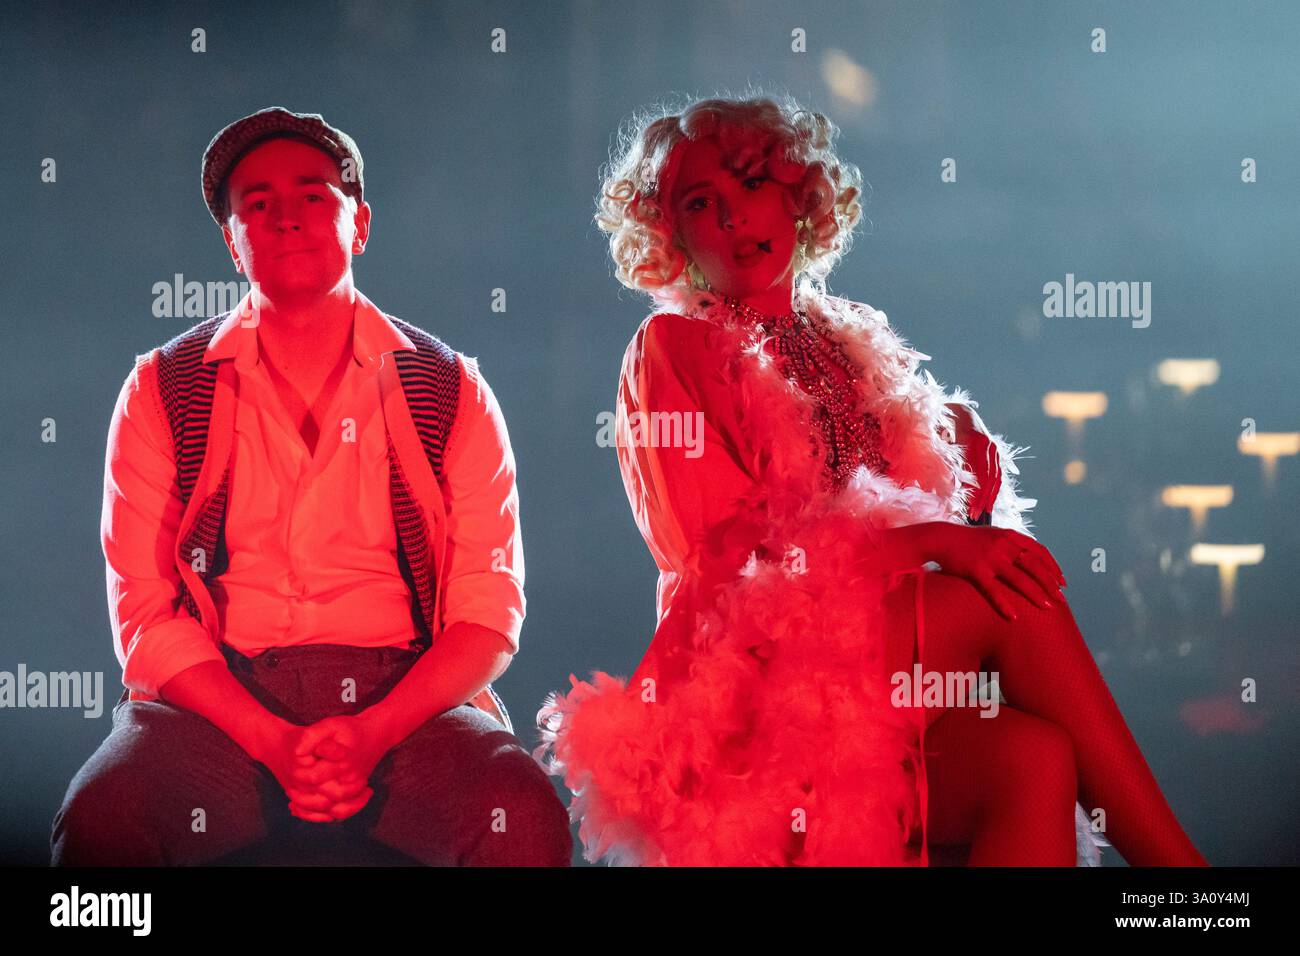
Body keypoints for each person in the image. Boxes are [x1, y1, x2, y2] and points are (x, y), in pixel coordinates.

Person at [535, 92, 1207, 867]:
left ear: (799, 197)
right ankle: (1189, 890)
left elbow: (914, 531)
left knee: (1034, 760)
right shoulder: (675, 347)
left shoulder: (852, 339)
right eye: (700, 202)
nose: (733, 216)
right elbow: (730, 568)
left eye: (753, 184)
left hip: (887, 669)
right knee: (1014, 605)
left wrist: (972, 497)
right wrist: (940, 540)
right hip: (757, 688)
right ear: (671, 232)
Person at [51, 107, 572, 866]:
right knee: (101, 821)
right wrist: (271, 739)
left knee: (519, 814)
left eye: (313, 194)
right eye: (256, 204)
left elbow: (488, 614)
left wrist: (371, 733)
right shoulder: (161, 388)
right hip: (218, 707)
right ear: (232, 242)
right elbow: (143, 612)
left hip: (409, 704)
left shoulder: (450, 388)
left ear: (360, 223)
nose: (285, 216)